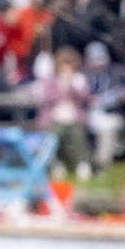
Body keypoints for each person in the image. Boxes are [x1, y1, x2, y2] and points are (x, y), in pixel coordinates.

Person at [35, 45, 91, 179]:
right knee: (55, 134)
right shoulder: (50, 81)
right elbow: (47, 99)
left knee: (77, 134)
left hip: (74, 117)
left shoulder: (79, 79)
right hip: (55, 117)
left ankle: (83, 164)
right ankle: (56, 163)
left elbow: (84, 99)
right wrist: (62, 87)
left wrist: (71, 85)